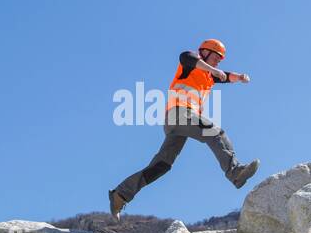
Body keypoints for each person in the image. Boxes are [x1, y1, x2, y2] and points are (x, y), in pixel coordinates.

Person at [109, 38, 260, 219]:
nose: (219, 61)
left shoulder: (208, 76)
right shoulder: (190, 62)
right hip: (179, 114)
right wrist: (212, 70)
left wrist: (239, 77)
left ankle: (120, 195)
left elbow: (225, 76)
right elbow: (187, 57)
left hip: (178, 123)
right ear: (205, 52)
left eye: (220, 60)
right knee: (215, 133)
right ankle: (235, 172)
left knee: (162, 166)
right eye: (217, 57)